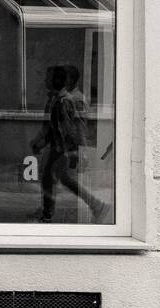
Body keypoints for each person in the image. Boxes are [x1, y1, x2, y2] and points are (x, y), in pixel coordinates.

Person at [31, 65, 107, 223]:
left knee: (52, 178)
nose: (45, 80)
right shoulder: (56, 99)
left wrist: (74, 152)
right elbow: (55, 129)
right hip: (58, 148)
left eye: (48, 77)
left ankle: (48, 213)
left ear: (57, 81)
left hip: (62, 149)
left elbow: (69, 129)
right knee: (59, 179)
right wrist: (42, 143)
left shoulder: (65, 102)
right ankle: (96, 205)